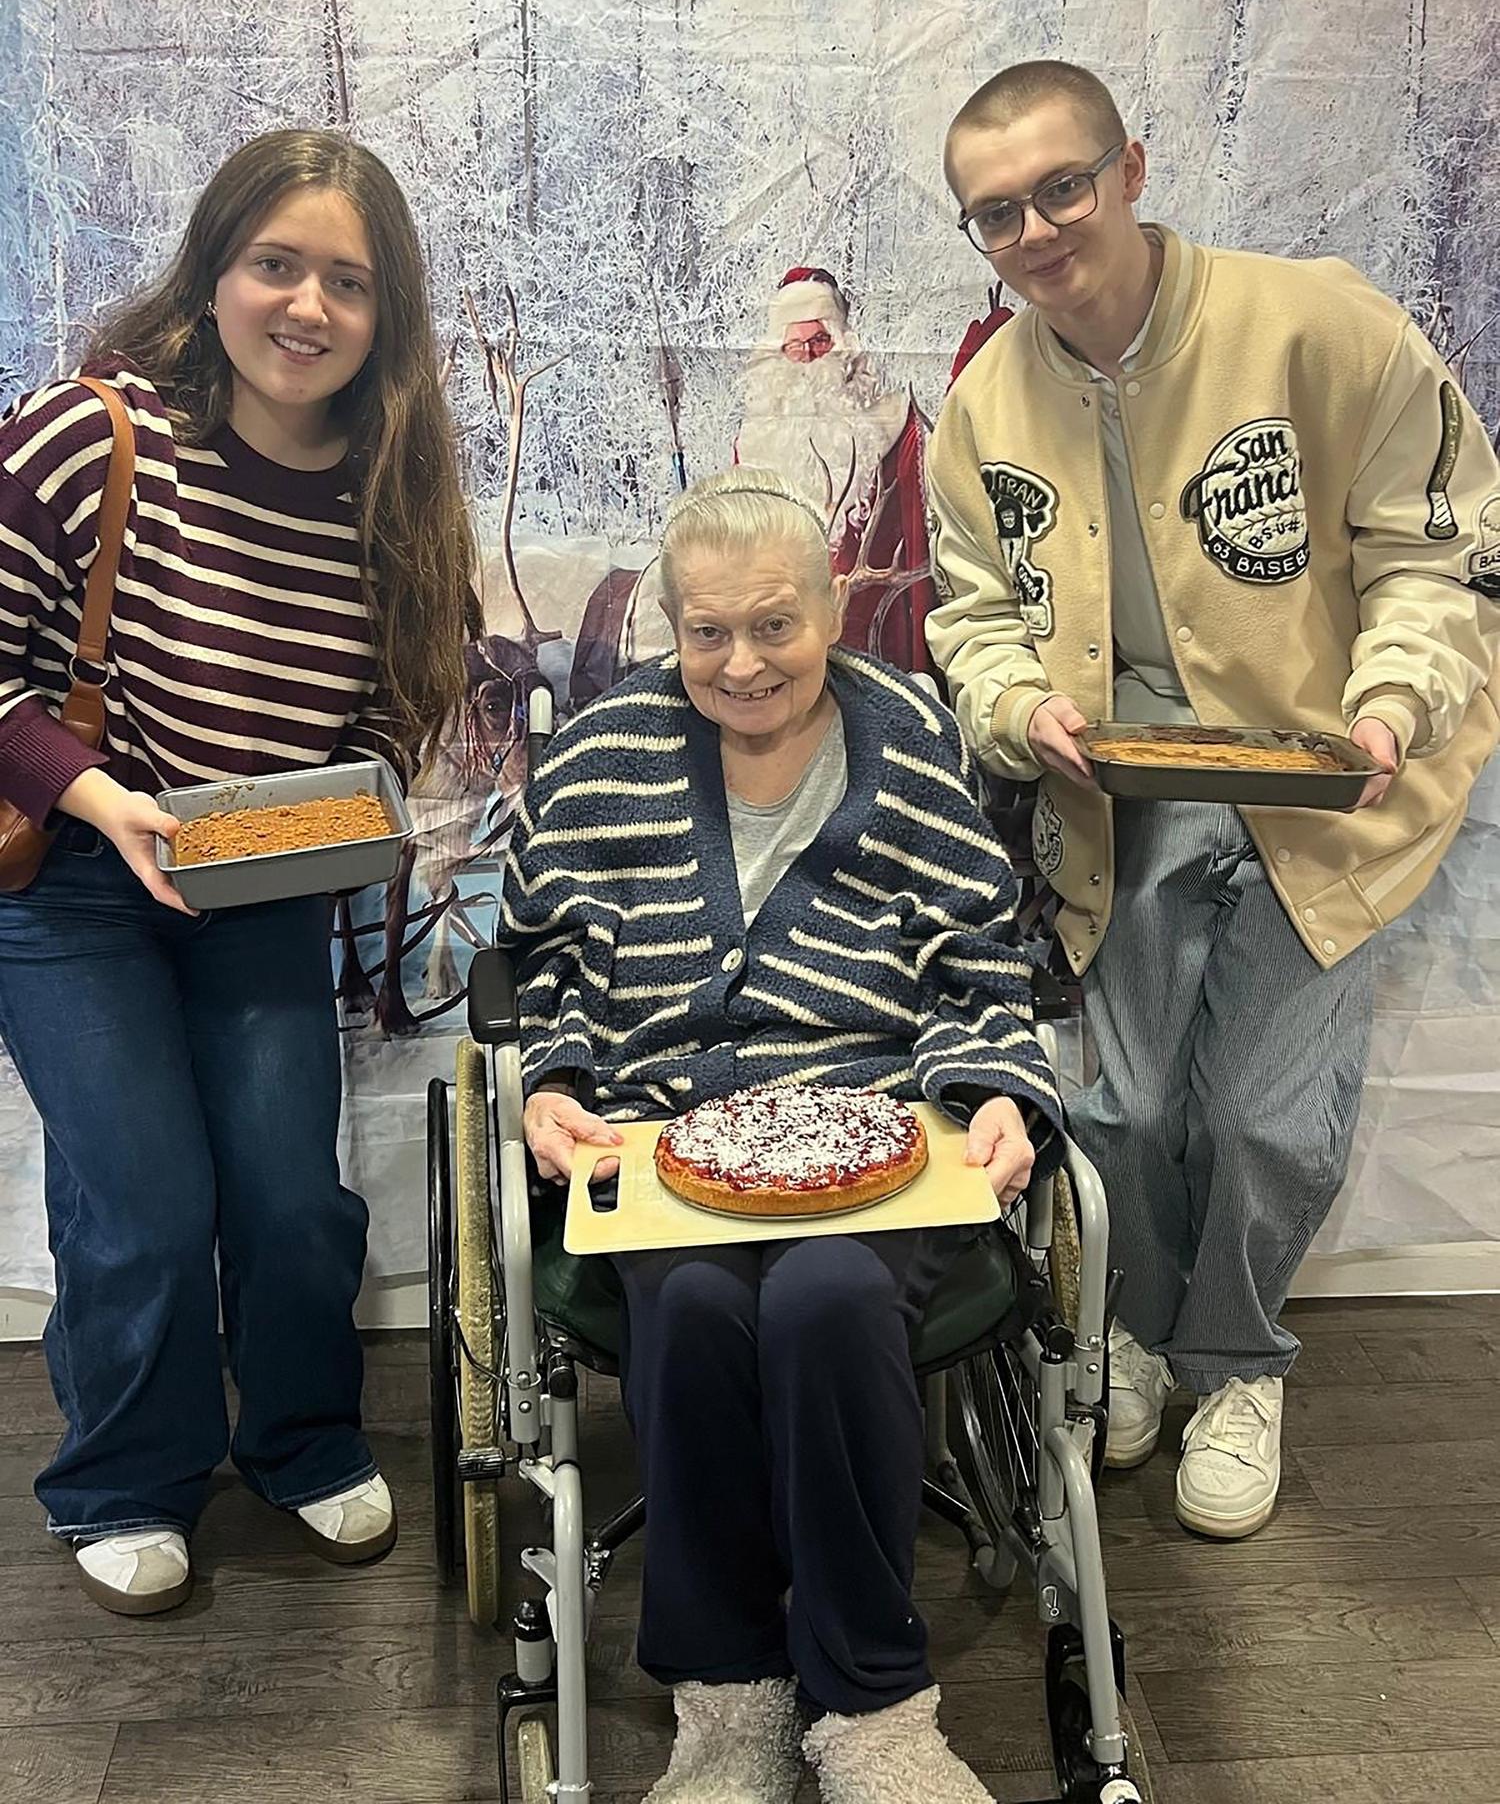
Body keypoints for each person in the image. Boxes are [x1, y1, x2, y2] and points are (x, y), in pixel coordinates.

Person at [925, 59, 1500, 1541]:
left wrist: (1393, 705)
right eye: (999, 213)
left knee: (1258, 1111)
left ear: (1131, 164)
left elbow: (1438, 547)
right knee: (1113, 1102)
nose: (1040, 230)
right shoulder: (986, 402)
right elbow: (973, 611)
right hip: (1122, 788)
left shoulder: (1323, 323)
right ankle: (1123, 1329)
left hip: (1329, 780)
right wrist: (1013, 708)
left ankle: (1237, 1364)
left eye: (1064, 186)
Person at [500, 470, 1063, 1804]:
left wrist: (995, 1092)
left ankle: (872, 1710)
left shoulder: (910, 736)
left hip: (876, 1130)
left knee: (822, 1295)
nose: (742, 664)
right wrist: (555, 1079)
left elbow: (982, 958)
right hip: (663, 1137)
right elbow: (545, 957)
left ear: (835, 611)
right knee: (693, 1304)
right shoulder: (608, 753)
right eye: (708, 633)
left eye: (775, 626)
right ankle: (732, 1699)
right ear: (671, 630)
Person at [0, 129, 476, 1612]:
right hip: (76, 880)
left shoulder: (390, 488)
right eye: (276, 264)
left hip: (255, 880)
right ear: (212, 277)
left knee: (288, 1193)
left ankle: (302, 1437)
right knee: (140, 1193)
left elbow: (387, 706)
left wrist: (369, 804)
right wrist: (97, 796)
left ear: (383, 313)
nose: (307, 307)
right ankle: (125, 1477)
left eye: (347, 279)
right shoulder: (90, 438)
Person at [736, 266, 936, 674]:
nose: (808, 357)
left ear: (843, 343)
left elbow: (919, 551)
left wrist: (921, 663)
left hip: (876, 645)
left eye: (821, 341)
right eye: (795, 346)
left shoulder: (894, 427)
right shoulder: (753, 442)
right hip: (781, 646)